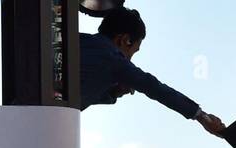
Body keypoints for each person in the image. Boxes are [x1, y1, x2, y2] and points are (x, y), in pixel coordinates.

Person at [79, 8, 225, 134]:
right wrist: (201, 116)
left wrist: (112, 93)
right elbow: (153, 87)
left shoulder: (77, 40)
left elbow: (75, 94)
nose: (129, 60)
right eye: (133, 51)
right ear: (124, 40)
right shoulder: (114, 59)